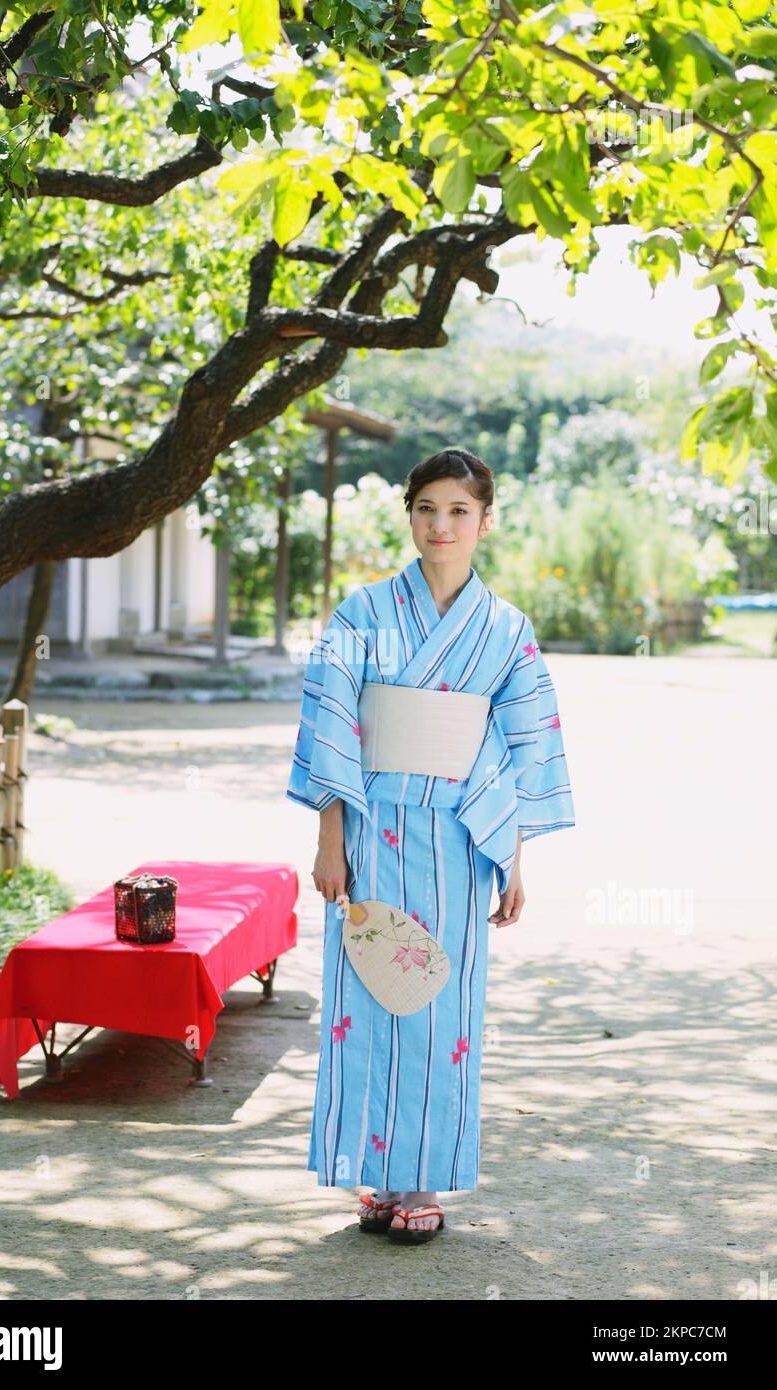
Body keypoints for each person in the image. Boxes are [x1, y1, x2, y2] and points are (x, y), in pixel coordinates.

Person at [285, 447, 576, 1244]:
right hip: (373, 828)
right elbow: (331, 727)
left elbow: (524, 748)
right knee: (369, 999)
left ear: (485, 520)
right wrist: (329, 837)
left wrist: (513, 856)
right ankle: (375, 1173)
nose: (439, 526)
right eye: (426, 509)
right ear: (408, 514)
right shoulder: (360, 614)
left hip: (456, 838)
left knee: (438, 1003)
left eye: (457, 511)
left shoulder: (506, 630)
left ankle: (423, 1181)